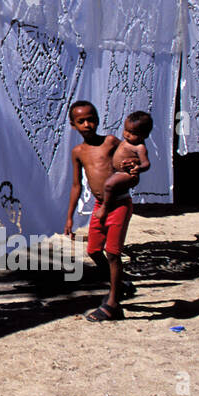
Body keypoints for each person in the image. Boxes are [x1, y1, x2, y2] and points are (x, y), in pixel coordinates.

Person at [63, 103, 148, 321]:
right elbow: (76, 186)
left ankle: (113, 304)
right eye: (81, 121)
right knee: (93, 250)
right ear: (73, 126)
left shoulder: (110, 142)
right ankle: (119, 283)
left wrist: (134, 168)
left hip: (118, 203)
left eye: (91, 119)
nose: (87, 124)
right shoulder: (78, 152)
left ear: (98, 119)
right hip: (100, 206)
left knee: (112, 252)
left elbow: (132, 152)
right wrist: (70, 217)